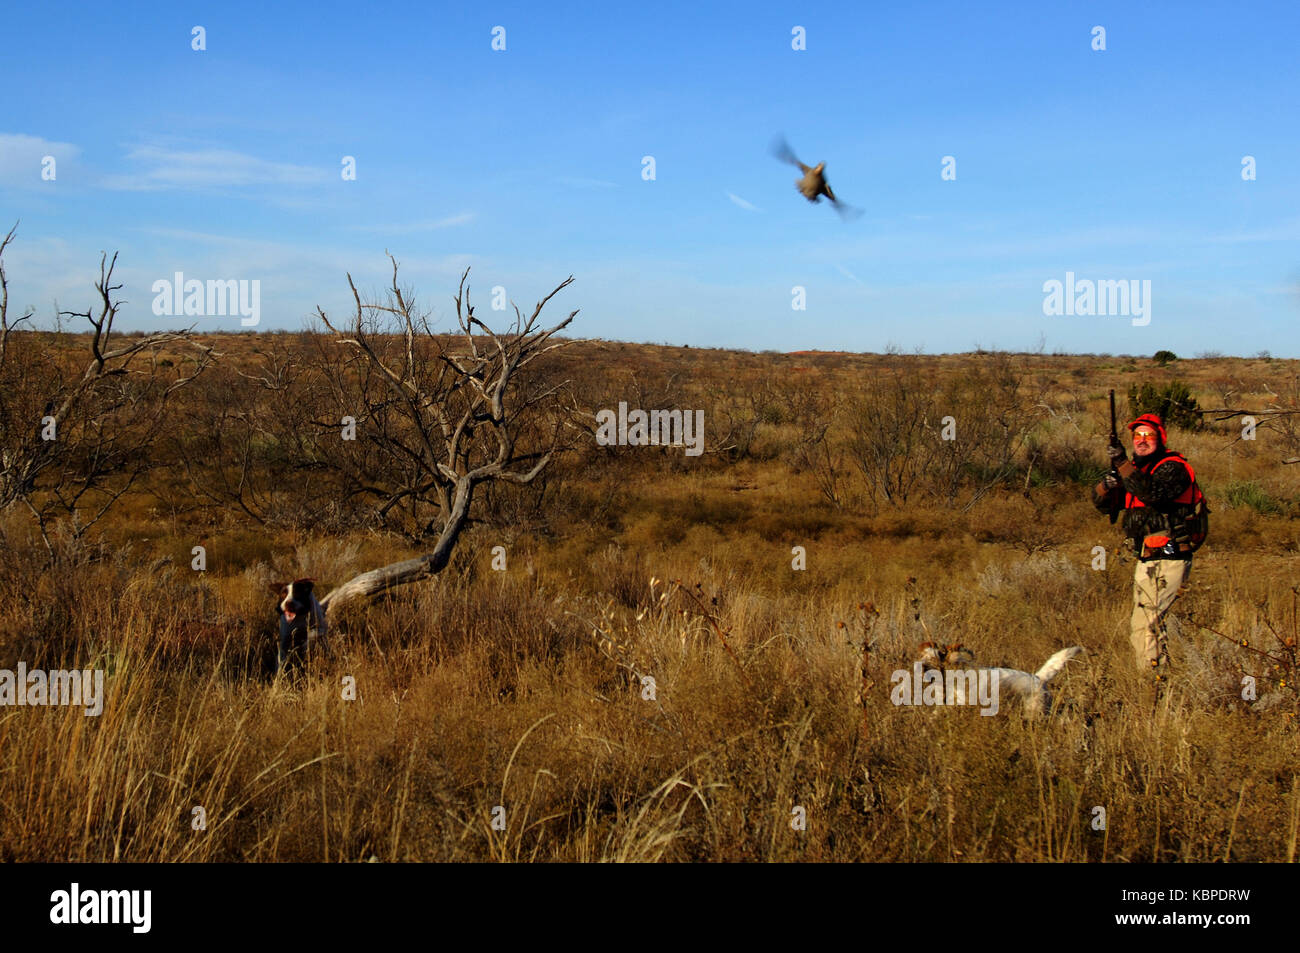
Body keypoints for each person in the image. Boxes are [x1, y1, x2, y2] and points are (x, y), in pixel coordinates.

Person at [1093, 413, 1204, 679]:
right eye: (1137, 436)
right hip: (1147, 556)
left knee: (1148, 624)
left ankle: (1152, 682)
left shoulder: (1173, 468)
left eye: (1149, 436)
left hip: (1170, 554)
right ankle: (1157, 678)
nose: (1142, 441)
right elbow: (1104, 506)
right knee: (1142, 624)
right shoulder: (1134, 470)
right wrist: (1106, 487)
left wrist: (1121, 463)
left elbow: (1152, 493)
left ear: (1160, 439)